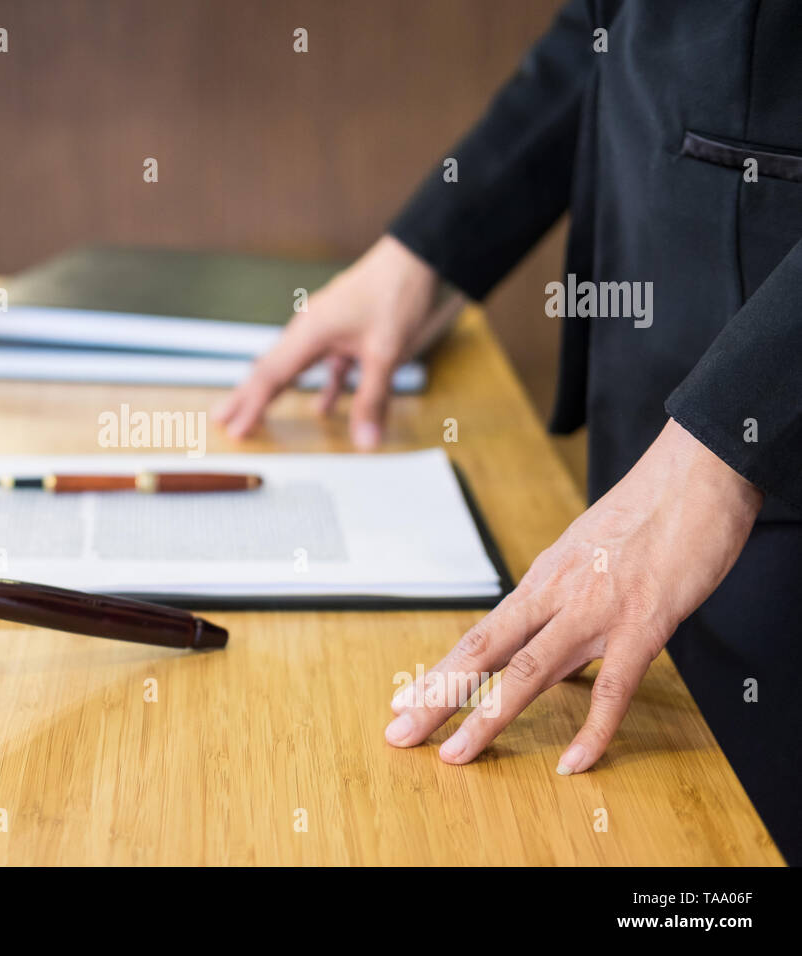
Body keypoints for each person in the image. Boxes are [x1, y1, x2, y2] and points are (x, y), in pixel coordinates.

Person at [212, 0, 802, 863]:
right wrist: (426, 252)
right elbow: (618, 27)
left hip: (760, 466)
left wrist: (721, 452)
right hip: (655, 443)